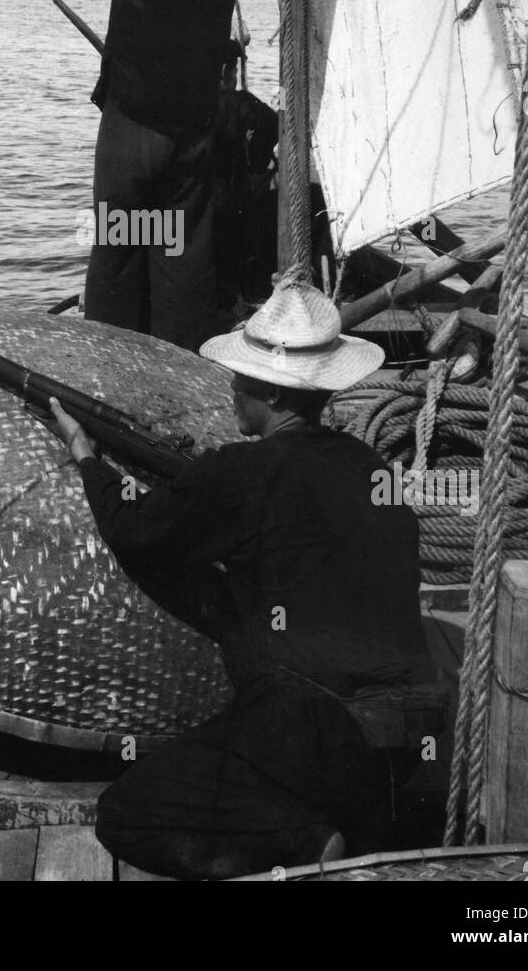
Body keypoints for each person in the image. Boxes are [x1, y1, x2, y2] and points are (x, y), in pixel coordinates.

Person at [49, 278, 443, 881]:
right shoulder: (367, 464)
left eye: (240, 377)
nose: (231, 386)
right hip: (408, 735)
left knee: (127, 814)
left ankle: (310, 844)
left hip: (321, 729)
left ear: (267, 390)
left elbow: (133, 529)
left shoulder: (240, 473)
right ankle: (337, 814)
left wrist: (84, 456)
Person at [41, 0, 249, 352]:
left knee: (119, 245)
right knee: (179, 249)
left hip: (135, 122)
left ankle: (110, 357)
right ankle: (178, 359)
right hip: (194, 125)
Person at [212, 44, 278, 311]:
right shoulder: (242, 104)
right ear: (226, 71)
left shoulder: (188, 101)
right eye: (235, 70)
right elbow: (275, 127)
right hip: (232, 204)